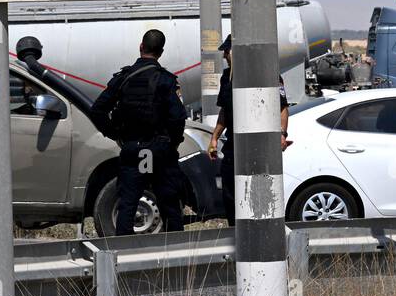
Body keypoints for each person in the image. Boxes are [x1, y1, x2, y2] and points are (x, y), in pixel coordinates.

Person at [90, 29, 188, 236]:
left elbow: (97, 110)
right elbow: (178, 117)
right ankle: (177, 254)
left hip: (133, 147)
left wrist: (114, 134)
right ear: (160, 52)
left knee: (127, 204)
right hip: (160, 150)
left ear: (141, 47)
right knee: (169, 204)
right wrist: (173, 143)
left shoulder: (123, 78)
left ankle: (125, 255)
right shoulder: (166, 80)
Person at [207, 35, 291, 226]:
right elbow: (224, 112)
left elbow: (282, 108)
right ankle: (235, 233)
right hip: (234, 147)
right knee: (230, 194)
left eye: (226, 52)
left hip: (259, 148)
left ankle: (260, 233)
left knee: (258, 195)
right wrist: (214, 138)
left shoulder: (269, 75)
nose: (224, 57)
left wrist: (282, 133)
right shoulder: (226, 79)